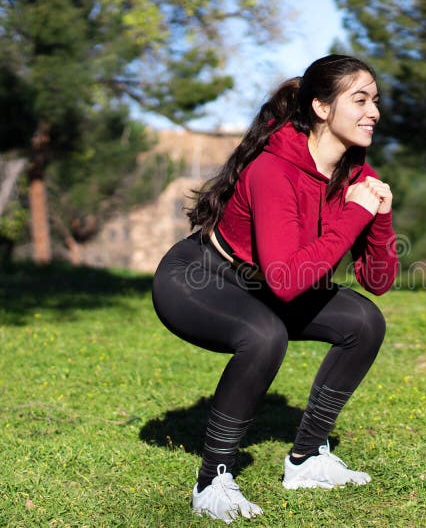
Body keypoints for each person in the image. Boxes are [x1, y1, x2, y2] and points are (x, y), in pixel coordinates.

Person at [151, 54, 398, 523]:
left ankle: (307, 460)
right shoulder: (273, 170)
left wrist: (379, 216)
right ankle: (212, 481)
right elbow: (286, 281)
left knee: (365, 321)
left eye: (376, 101)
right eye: (360, 100)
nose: (374, 112)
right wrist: (353, 216)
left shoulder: (356, 174)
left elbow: (378, 282)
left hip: (264, 286)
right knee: (265, 334)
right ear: (322, 107)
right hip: (198, 278)